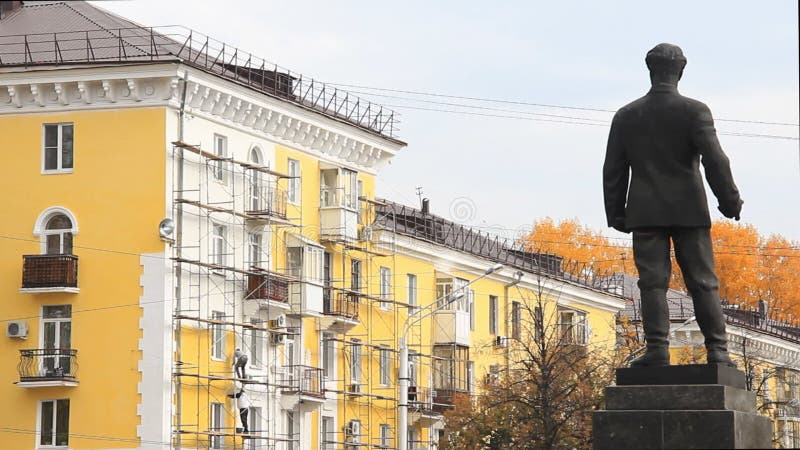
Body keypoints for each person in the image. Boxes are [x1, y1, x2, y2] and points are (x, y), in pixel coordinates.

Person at [603, 43, 743, 368]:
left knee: (652, 283)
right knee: (703, 281)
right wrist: (729, 200)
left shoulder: (626, 115)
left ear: (649, 70)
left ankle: (657, 350)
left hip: (645, 211)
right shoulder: (695, 111)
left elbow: (613, 168)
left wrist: (616, 213)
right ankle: (718, 352)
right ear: (681, 71)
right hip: (689, 210)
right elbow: (715, 159)